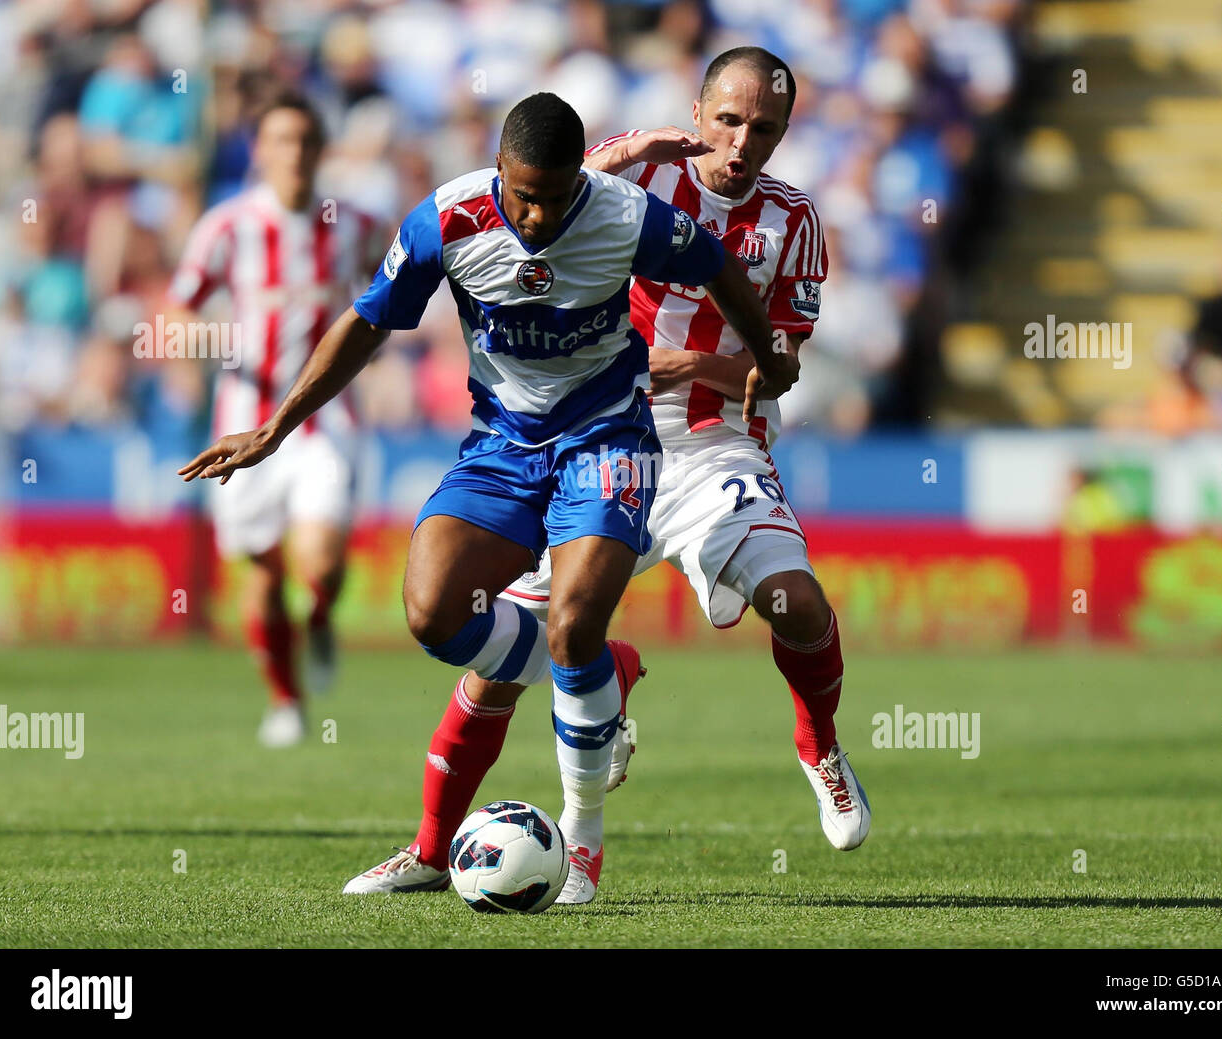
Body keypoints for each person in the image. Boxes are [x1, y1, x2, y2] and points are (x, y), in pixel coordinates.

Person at [178, 92, 795, 893]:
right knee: (434, 612)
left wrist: (769, 359)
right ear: (497, 169)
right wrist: (274, 428)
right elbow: (368, 323)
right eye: (524, 194)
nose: (537, 216)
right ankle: (601, 672)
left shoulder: (626, 216)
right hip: (502, 446)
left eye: (556, 195)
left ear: (583, 176)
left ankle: (581, 844)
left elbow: (717, 267)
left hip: (608, 440)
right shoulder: (446, 219)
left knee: (571, 619)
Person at [353, 49, 872, 907]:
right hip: (595, 435)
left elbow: (778, 362)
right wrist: (624, 156)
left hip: (711, 445)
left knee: (799, 603)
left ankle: (819, 745)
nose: (744, 143)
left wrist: (693, 360)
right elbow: (547, 212)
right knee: (498, 665)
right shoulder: (638, 174)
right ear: (698, 110)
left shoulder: (796, 221)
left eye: (767, 129)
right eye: (730, 121)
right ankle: (430, 847)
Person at [167, 90, 381, 747]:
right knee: (260, 570)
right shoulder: (228, 226)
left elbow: (399, 282)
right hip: (242, 416)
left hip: (324, 417)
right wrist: (192, 353)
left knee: (320, 559)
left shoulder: (353, 224)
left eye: (306, 141)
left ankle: (319, 615)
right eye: (281, 141)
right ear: (260, 151)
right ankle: (285, 701)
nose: (295, 154)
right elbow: (180, 308)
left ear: (320, 151)